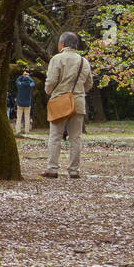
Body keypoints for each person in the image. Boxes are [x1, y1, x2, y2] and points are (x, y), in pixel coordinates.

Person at [42, 32, 92, 180]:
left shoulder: (57, 59)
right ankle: (74, 170)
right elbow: (89, 83)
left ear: (62, 44)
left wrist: (49, 91)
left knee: (55, 136)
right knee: (76, 138)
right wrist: (79, 92)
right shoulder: (84, 61)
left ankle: (52, 169)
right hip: (78, 102)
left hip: (60, 101)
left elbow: (51, 81)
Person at [14, 70, 35, 134]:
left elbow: (17, 81)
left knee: (19, 118)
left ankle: (18, 131)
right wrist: (28, 76)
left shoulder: (20, 85)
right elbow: (33, 82)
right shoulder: (30, 86)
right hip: (27, 104)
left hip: (20, 103)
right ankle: (27, 131)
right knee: (27, 118)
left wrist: (22, 75)